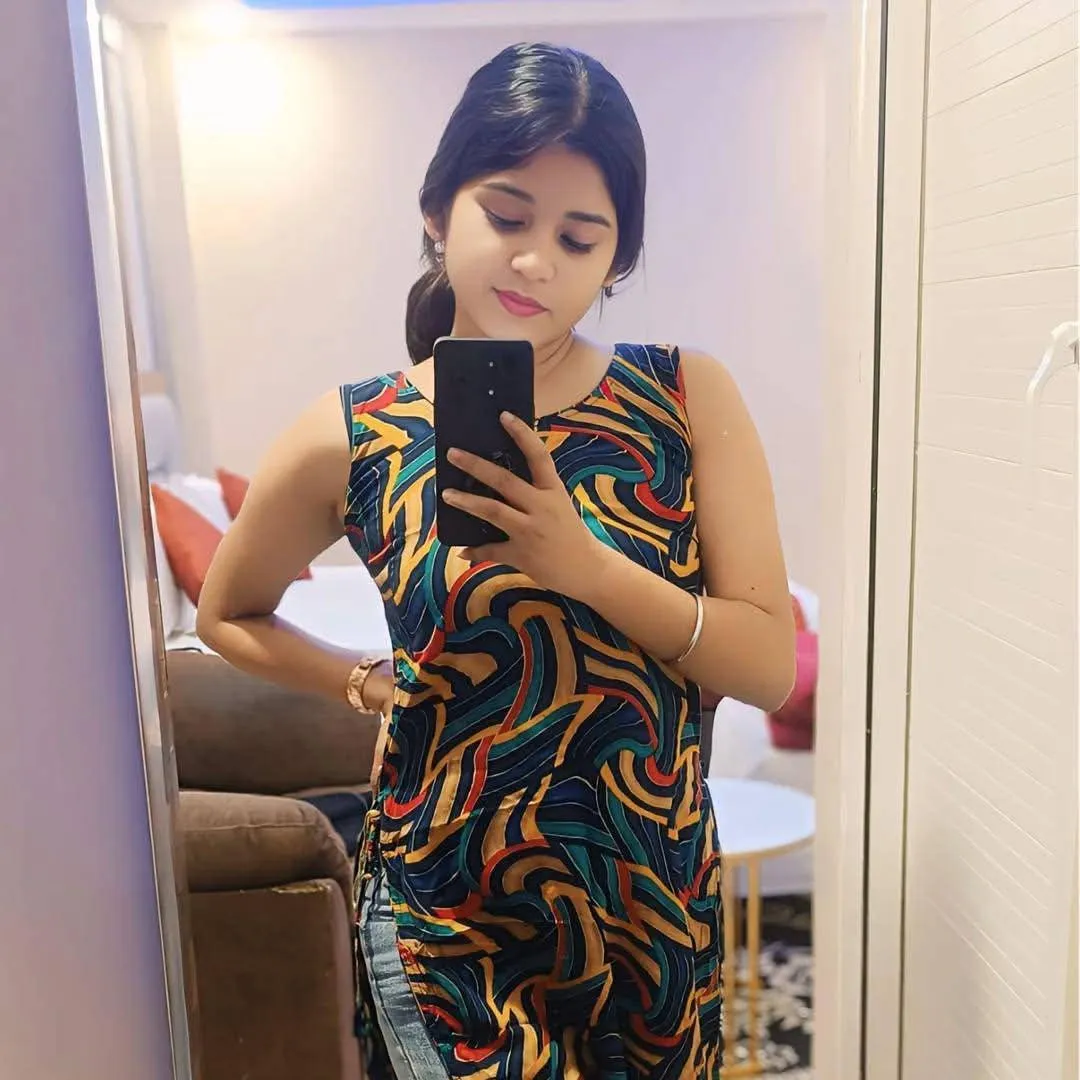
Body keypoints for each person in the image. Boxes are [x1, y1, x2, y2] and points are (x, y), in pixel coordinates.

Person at [197, 41, 795, 1080]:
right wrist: (361, 682)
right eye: (507, 217)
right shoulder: (356, 432)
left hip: (651, 911)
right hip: (444, 922)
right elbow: (225, 612)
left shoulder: (684, 398)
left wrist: (587, 566)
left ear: (617, 257)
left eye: (578, 236)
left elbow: (768, 666)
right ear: (438, 211)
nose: (535, 262)